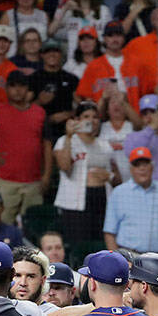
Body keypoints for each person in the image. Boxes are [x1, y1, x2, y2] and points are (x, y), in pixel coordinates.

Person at [0, 72, 49, 225]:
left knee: (33, 229)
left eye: (21, 86)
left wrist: (46, 176)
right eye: (13, 86)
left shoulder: (39, 112)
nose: (17, 90)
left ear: (27, 89)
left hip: (33, 181)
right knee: (1, 228)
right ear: (6, 89)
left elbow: (47, 144)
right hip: (5, 180)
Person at [53, 101, 116, 246]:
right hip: (75, 204)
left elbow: (116, 177)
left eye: (95, 117)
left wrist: (110, 177)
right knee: (79, 246)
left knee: (99, 246)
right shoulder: (64, 141)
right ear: (77, 120)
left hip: (102, 200)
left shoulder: (105, 144)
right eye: (86, 116)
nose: (91, 120)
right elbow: (64, 167)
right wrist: (69, 136)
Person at [103, 146, 158, 252]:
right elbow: (109, 232)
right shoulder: (119, 193)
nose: (142, 168)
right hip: (129, 256)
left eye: (145, 164)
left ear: (152, 167)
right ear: (131, 169)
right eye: (137, 165)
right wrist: (117, 260)